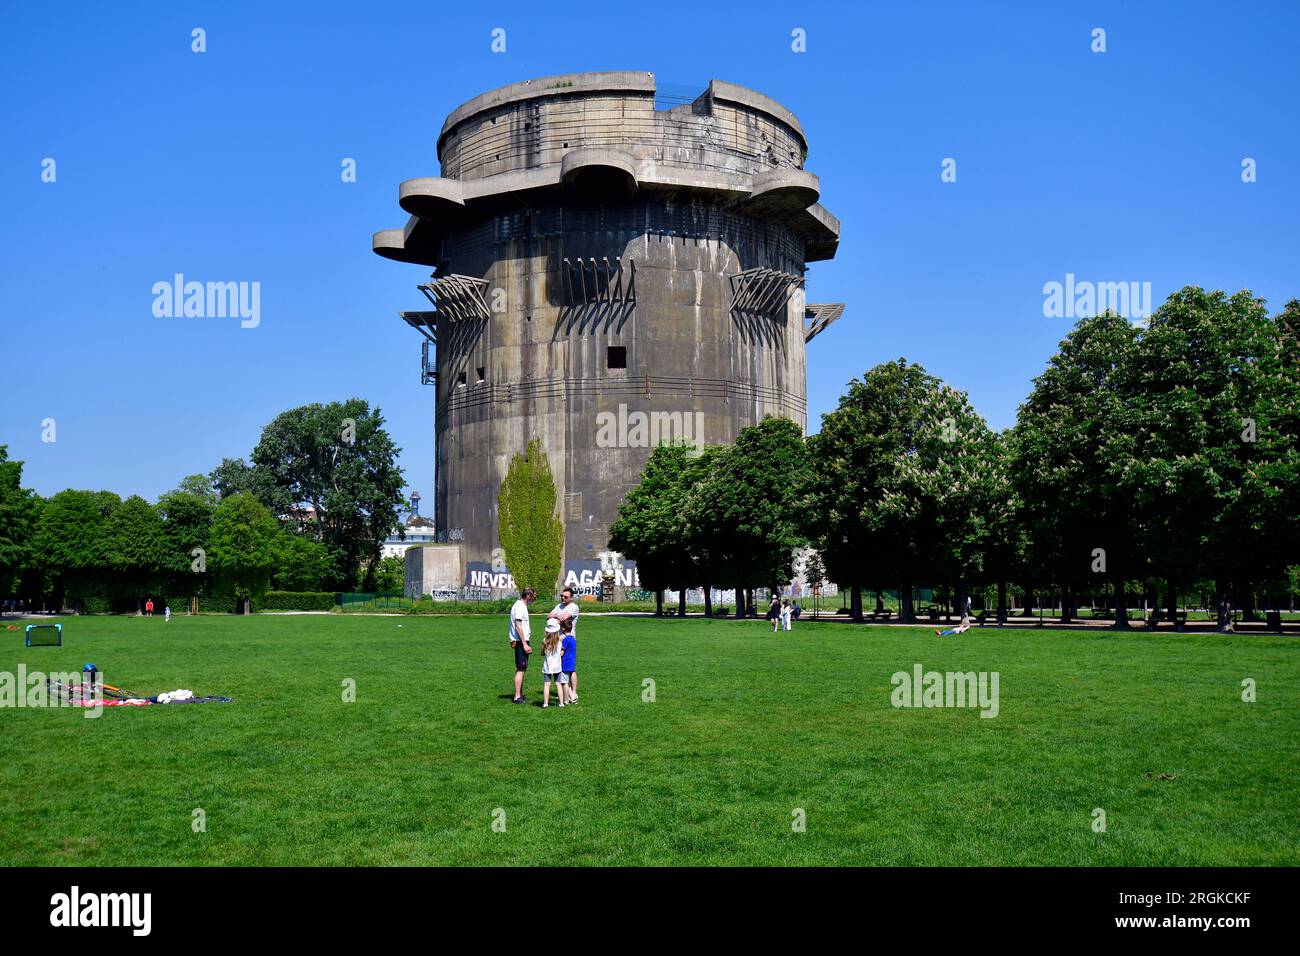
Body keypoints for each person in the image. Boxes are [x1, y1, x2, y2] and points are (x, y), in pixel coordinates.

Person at [548, 587, 580, 701]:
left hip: (568, 639)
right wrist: (557, 617)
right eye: (562, 596)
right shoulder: (560, 605)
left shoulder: (574, 607)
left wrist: (556, 617)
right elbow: (549, 616)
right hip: (558, 639)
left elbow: (563, 619)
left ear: (571, 597)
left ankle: (573, 693)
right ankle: (565, 691)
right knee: (560, 666)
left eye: (565, 596)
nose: (562, 598)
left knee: (570, 668)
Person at [509, 587, 537, 704]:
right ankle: (517, 696)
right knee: (521, 668)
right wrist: (525, 644)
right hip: (521, 641)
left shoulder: (520, 606)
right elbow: (518, 626)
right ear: (529, 596)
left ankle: (520, 693)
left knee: (523, 668)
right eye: (534, 596)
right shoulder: (520, 607)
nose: (535, 598)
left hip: (521, 640)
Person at [540, 619, 565, 708]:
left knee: (547, 685)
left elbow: (542, 653)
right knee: (558, 684)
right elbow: (561, 653)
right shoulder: (560, 641)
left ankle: (545, 703)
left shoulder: (544, 641)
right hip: (557, 666)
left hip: (547, 666)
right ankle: (561, 703)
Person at [560, 618, 577, 705]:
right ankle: (573, 697)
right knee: (568, 681)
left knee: (564, 682)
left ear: (563, 629)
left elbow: (562, 653)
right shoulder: (573, 639)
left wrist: (556, 656)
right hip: (572, 662)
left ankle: (566, 700)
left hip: (565, 663)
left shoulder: (565, 640)